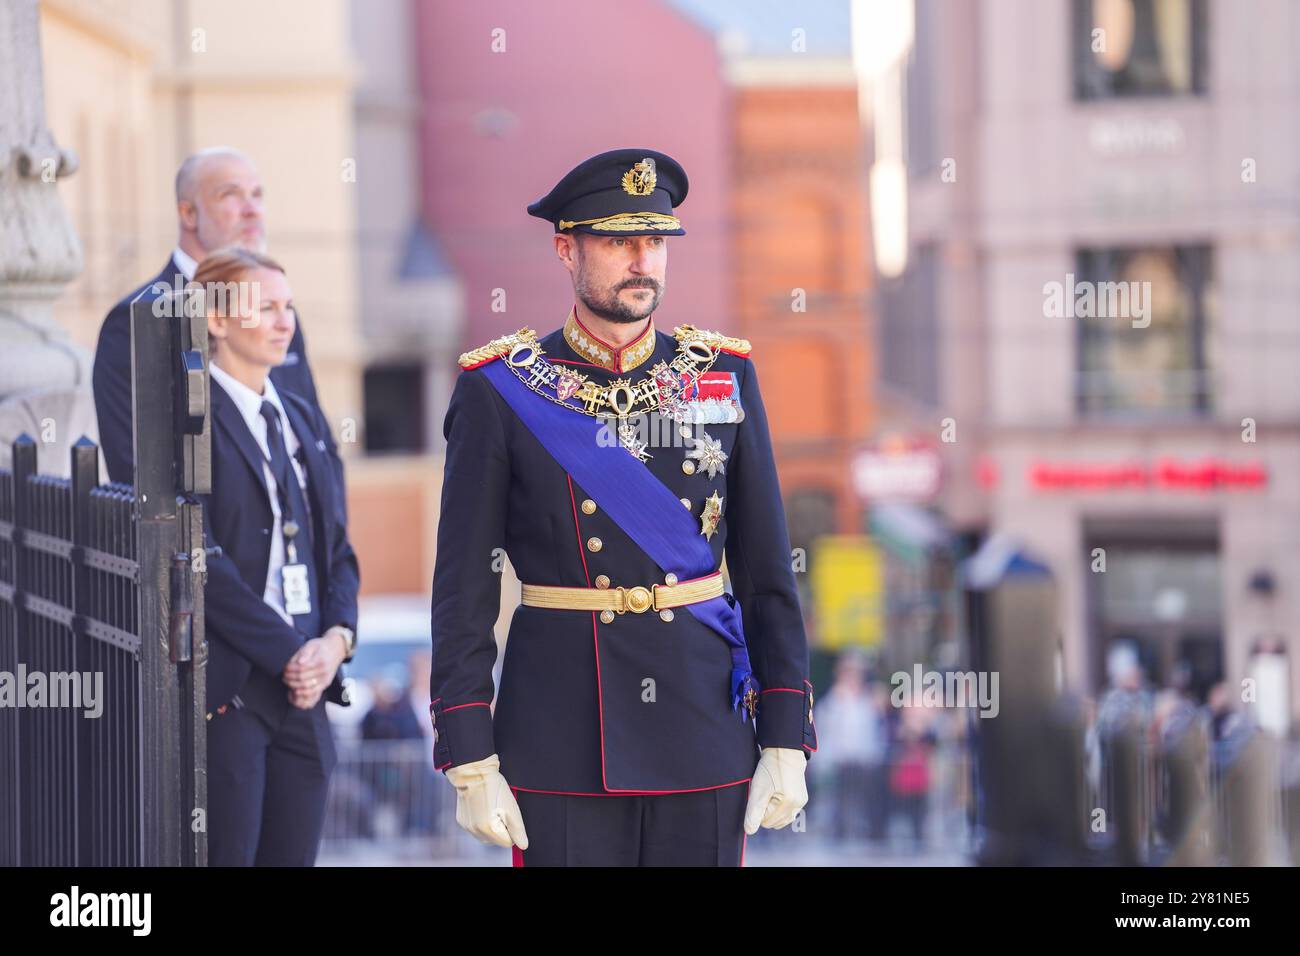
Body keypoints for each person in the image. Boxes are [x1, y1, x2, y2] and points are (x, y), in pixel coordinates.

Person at [429, 149, 817, 867]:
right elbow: (463, 588)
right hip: (561, 739)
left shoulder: (723, 376)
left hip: (703, 732)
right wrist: (470, 754)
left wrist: (787, 734)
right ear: (565, 249)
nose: (643, 260)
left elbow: (767, 576)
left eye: (655, 242)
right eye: (618, 242)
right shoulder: (501, 390)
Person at [197, 247, 359, 866]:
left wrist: (335, 642)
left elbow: (337, 550)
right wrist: (290, 650)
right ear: (215, 319)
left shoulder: (299, 416)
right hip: (234, 690)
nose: (283, 320)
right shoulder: (191, 423)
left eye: (287, 306)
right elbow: (201, 562)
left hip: (309, 689)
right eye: (264, 307)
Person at [91, 147, 339, 505]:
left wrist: (333, 552)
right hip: (202, 554)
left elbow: (318, 443)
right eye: (231, 195)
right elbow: (137, 475)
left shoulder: (282, 313)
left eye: (257, 195)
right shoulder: (137, 319)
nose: (252, 209)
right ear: (188, 213)